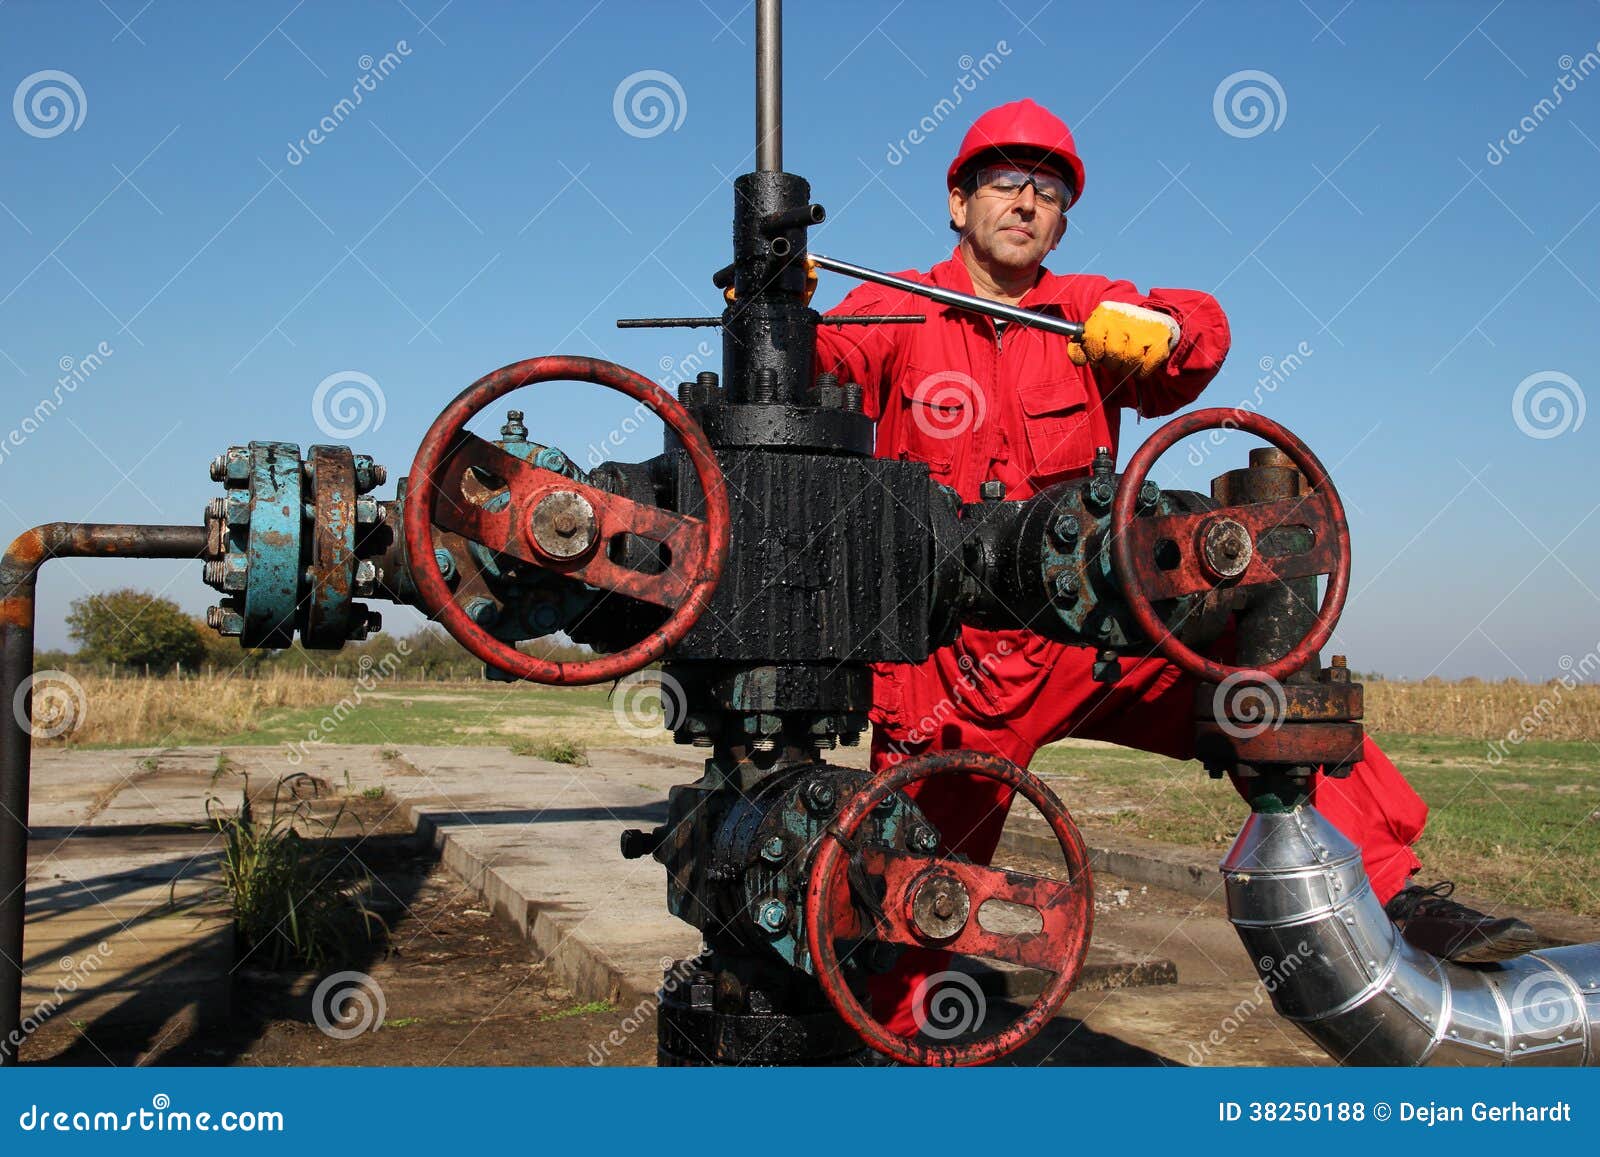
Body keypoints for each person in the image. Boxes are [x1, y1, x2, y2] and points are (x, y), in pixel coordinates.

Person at [812, 98, 1538, 1039]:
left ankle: (1395, 897)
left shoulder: (1083, 314)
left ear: (1063, 218)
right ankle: (891, 1044)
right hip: (953, 670)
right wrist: (778, 310)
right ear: (958, 203)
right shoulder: (897, 307)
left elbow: (1200, 336)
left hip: (1086, 635)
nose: (1026, 202)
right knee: (913, 903)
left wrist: (1159, 327)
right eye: (1004, 182)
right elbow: (815, 365)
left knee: (1259, 661)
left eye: (1049, 190)